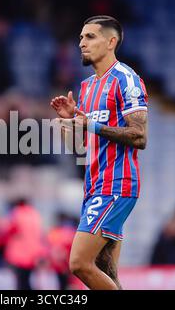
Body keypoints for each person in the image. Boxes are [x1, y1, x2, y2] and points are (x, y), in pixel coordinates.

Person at [50, 15, 148, 290]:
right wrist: (69, 125)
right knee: (108, 274)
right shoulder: (87, 87)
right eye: (81, 37)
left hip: (117, 184)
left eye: (90, 37)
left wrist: (90, 124)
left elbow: (139, 136)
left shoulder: (126, 79)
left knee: (79, 263)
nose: (81, 43)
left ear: (111, 42)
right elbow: (79, 147)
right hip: (94, 187)